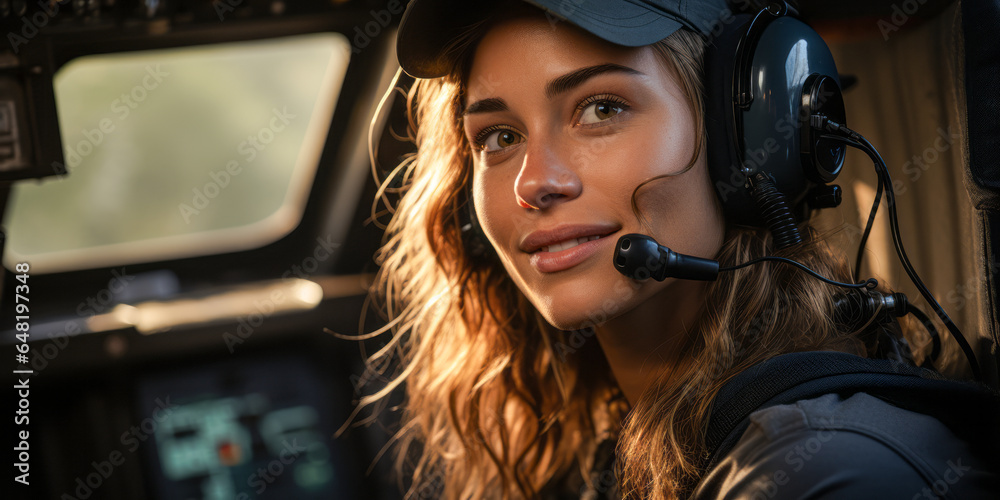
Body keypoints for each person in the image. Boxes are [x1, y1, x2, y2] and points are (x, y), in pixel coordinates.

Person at [343, 1, 1000, 498]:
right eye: (497, 138)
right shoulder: (627, 438)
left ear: (747, 137)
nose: (534, 183)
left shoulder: (826, 469)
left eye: (600, 109)